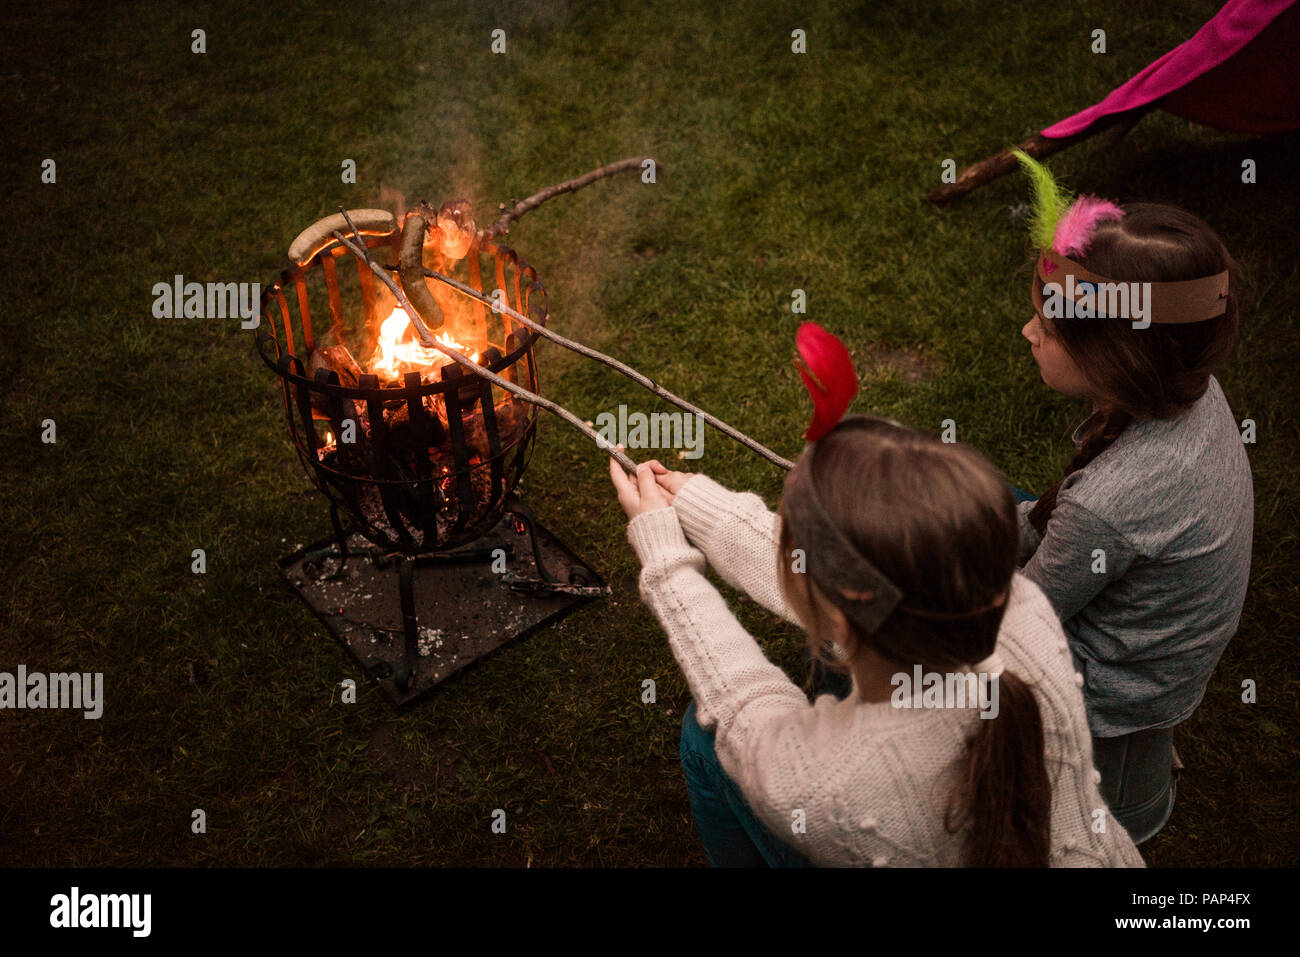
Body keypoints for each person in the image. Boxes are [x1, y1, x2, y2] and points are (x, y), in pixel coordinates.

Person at [608, 417, 1145, 867]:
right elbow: (871, 578)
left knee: (703, 744)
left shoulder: (823, 786)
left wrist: (665, 559)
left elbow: (742, 703)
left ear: (840, 619)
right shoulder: (1022, 608)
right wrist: (704, 507)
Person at [1010, 152, 1253, 843]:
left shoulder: (1108, 503)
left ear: (1116, 358)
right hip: (1159, 648)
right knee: (970, 496)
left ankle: (1125, 821)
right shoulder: (1187, 382)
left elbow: (1024, 621)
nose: (1029, 332)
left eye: (1048, 327)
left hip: (1114, 698)